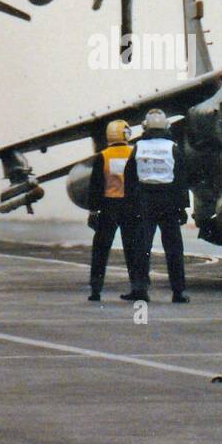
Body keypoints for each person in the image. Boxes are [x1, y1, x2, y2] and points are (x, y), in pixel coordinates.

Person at [123, 108, 190, 303]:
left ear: (145, 127)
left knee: (141, 248)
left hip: (145, 200)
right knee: (174, 249)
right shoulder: (173, 148)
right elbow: (181, 180)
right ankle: (178, 292)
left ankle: (140, 290)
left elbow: (129, 178)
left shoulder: (138, 148)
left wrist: (131, 204)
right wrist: (183, 208)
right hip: (169, 201)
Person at [85, 119, 139, 302]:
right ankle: (137, 288)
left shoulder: (103, 156)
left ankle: (95, 290)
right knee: (133, 250)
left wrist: (93, 211)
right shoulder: (134, 153)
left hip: (108, 207)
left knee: (100, 250)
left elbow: (95, 186)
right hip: (130, 207)